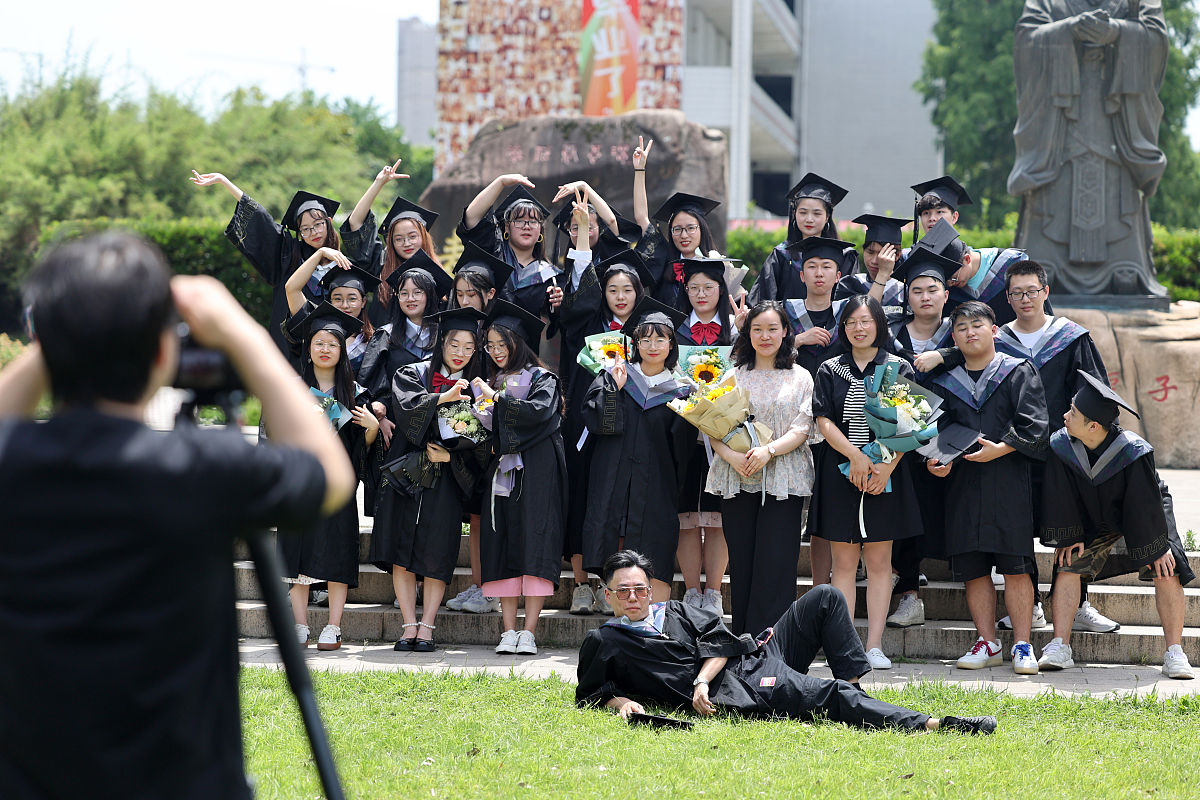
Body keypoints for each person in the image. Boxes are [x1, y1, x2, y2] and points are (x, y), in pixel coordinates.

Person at [0, 232, 355, 798]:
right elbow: (332, 476)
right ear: (163, 354)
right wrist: (245, 335)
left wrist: (75, 330)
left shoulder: (14, 464)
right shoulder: (204, 468)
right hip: (185, 781)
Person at [576, 551, 997, 735]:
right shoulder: (606, 640)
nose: (634, 598)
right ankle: (934, 725)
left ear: (651, 589)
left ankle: (855, 691)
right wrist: (621, 704)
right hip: (737, 690)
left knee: (826, 597)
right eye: (624, 592)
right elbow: (593, 692)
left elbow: (721, 641)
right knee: (826, 694)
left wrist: (700, 680)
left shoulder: (676, 610)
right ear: (608, 595)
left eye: (641, 589)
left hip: (747, 660)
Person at [924, 259, 1115, 634]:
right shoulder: (998, 338)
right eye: (1016, 293)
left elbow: (1094, 392)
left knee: (1069, 527)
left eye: (1031, 291)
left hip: (1062, 451)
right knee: (1017, 533)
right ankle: (1033, 609)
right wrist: (945, 354)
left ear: (1045, 292)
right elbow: (970, 352)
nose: (1025, 299)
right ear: (1007, 299)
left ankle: (1079, 602)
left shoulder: (1071, 337)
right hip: (1012, 454)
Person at [1038, 372, 1194, 678]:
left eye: (1073, 413)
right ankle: (1060, 645)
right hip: (1093, 521)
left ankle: (1175, 652)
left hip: (1145, 515)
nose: (1065, 415)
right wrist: (1069, 534)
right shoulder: (1062, 445)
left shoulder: (1133, 452)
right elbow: (1059, 494)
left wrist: (1156, 546)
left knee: (1165, 566)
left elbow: (1144, 503)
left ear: (1094, 426)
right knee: (1068, 562)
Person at [1008, 0, 1168, 297]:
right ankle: (1043, 272)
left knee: (1117, 184)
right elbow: (1025, 40)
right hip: (1059, 125)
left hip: (1116, 122)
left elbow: (1155, 38)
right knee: (1053, 189)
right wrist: (1069, 29)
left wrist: (1118, 32)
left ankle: (1126, 269)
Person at [925, 302, 1049, 675]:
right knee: (973, 567)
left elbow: (1036, 426)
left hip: (1007, 483)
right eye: (960, 327)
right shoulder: (945, 381)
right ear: (954, 337)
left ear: (994, 330)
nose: (969, 332)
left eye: (976, 325)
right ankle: (988, 642)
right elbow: (932, 430)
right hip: (963, 485)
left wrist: (1001, 449)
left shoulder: (1017, 371)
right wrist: (935, 461)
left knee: (1015, 566)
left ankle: (1023, 644)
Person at [811, 296, 924, 670]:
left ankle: (874, 645)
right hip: (840, 468)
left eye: (866, 321)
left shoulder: (897, 366)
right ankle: (842, 645)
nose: (859, 328)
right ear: (842, 328)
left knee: (879, 562)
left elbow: (913, 423)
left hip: (885, 473)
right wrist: (855, 456)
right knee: (842, 564)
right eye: (851, 322)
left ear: (878, 324)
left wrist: (886, 466)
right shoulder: (830, 368)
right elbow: (823, 420)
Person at [369, 307, 490, 652]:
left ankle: (427, 627)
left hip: (445, 478)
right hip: (405, 473)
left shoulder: (476, 387)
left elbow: (473, 440)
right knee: (400, 551)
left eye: (469, 348)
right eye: (455, 344)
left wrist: (451, 452)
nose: (460, 353)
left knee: (437, 551)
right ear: (441, 342)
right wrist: (443, 399)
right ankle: (408, 625)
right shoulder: (412, 373)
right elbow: (406, 412)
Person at [706, 301, 815, 636]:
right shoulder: (733, 375)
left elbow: (802, 428)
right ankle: (743, 641)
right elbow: (713, 427)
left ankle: (772, 645)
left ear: (785, 332)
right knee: (742, 564)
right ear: (747, 333)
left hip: (784, 477)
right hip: (738, 477)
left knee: (777, 563)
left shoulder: (800, 377)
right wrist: (731, 456)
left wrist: (769, 451)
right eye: (757, 329)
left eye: (772, 329)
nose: (765, 336)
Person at [558, 249, 655, 616]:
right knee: (583, 502)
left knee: (617, 507)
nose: (620, 296)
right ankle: (582, 585)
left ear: (638, 293)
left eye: (627, 289)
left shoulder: (649, 333)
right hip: (587, 430)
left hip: (629, 436)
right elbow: (575, 302)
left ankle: (611, 586)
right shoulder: (589, 327)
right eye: (612, 289)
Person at [279, 303, 381, 651]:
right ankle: (300, 626)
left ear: (342, 351)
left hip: (337, 486)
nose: (325, 349)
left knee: (336, 551)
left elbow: (361, 450)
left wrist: (371, 429)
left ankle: (333, 627)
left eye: (332, 344)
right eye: (319, 342)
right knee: (298, 553)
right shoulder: (290, 389)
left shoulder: (354, 393)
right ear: (308, 347)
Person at [581, 296, 695, 602]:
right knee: (611, 539)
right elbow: (594, 421)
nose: (653, 345)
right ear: (635, 343)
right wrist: (613, 391)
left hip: (657, 484)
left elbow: (682, 450)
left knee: (655, 550)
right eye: (645, 338)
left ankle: (652, 623)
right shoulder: (615, 376)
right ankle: (619, 612)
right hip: (613, 478)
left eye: (661, 338)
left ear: (672, 344)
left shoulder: (683, 389)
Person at [472, 301, 568, 656]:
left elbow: (539, 414)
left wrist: (495, 401)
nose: (496, 352)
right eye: (491, 345)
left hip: (539, 473)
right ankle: (508, 630)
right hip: (502, 474)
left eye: (503, 344)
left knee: (536, 542)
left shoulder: (544, 379)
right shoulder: (492, 381)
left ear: (519, 343)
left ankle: (529, 631)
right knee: (502, 543)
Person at [189, 170, 344, 359]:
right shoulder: (288, 253)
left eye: (318, 224)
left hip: (329, 350)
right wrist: (225, 182)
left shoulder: (343, 264)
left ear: (328, 222)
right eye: (305, 229)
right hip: (290, 349)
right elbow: (262, 218)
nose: (313, 232)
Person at [442, 244, 514, 616]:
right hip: (466, 432)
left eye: (473, 293)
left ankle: (493, 587)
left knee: (492, 512)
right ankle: (477, 585)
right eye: (461, 293)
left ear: (490, 295)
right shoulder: (457, 329)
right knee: (473, 514)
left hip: (498, 433)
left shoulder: (502, 329)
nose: (466, 299)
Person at [672, 257, 739, 615]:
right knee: (687, 516)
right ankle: (692, 589)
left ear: (721, 290)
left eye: (708, 288)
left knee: (716, 519)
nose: (701, 294)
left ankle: (713, 591)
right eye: (694, 288)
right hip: (684, 436)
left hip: (723, 437)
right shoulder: (675, 329)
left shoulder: (736, 331)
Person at [909, 182, 1039, 327]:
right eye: (926, 213)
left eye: (940, 212)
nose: (951, 283)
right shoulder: (925, 264)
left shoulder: (1009, 264)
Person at [457, 175, 564, 350]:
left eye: (533, 221)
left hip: (524, 355)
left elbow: (555, 320)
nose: (527, 226)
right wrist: (500, 182)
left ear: (540, 231)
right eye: (519, 220)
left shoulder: (550, 276)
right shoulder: (492, 253)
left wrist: (558, 306)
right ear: (506, 227)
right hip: (483, 350)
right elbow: (471, 218)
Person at [338, 157, 443, 326]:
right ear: (391, 242)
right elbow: (355, 224)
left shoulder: (436, 274)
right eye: (398, 239)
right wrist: (378, 184)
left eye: (412, 236)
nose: (406, 243)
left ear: (423, 237)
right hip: (381, 347)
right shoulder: (381, 264)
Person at [630, 136, 722, 307]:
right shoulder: (662, 258)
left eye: (690, 228)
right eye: (677, 229)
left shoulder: (716, 264)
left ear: (701, 229)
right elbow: (641, 217)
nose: (683, 235)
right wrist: (640, 170)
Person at [748, 173, 857, 304]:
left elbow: (851, 301)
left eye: (817, 213)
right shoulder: (782, 254)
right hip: (787, 323)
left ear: (827, 216)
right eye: (803, 212)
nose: (809, 219)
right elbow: (764, 300)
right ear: (794, 214)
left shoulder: (845, 256)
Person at [853, 214, 910, 311]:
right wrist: (883, 274)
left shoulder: (906, 290)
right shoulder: (852, 284)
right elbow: (864, 315)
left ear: (897, 255)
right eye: (870, 252)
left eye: (882, 253)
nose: (875, 261)